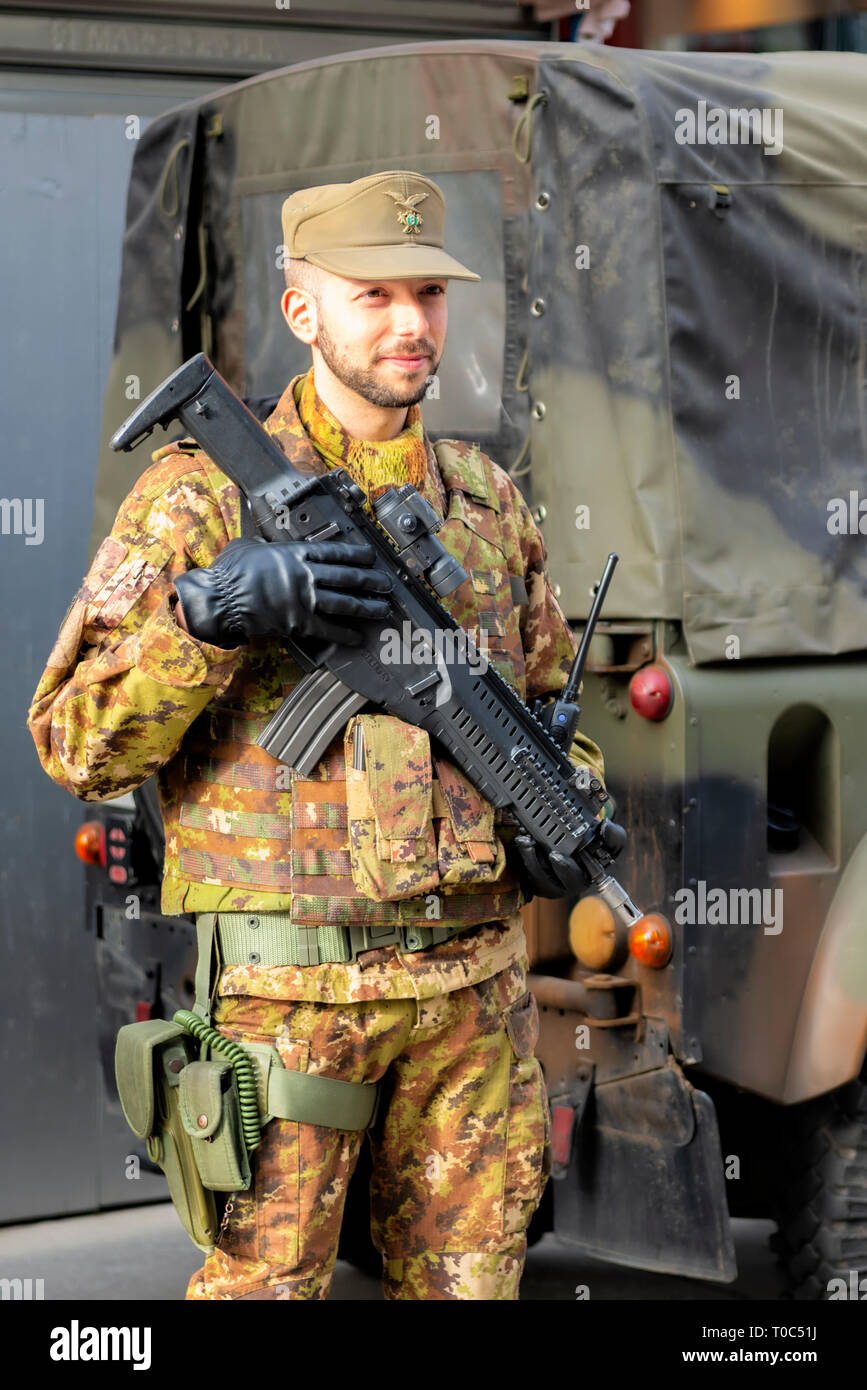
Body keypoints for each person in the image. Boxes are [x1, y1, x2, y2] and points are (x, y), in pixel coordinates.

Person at [28, 169, 607, 1301]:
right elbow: (74, 740)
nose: (410, 324)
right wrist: (213, 615)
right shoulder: (199, 499)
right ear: (303, 311)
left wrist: (561, 810)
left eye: (429, 296)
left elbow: (543, 709)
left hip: (472, 1015)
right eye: (374, 295)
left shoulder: (487, 508)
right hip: (292, 1011)